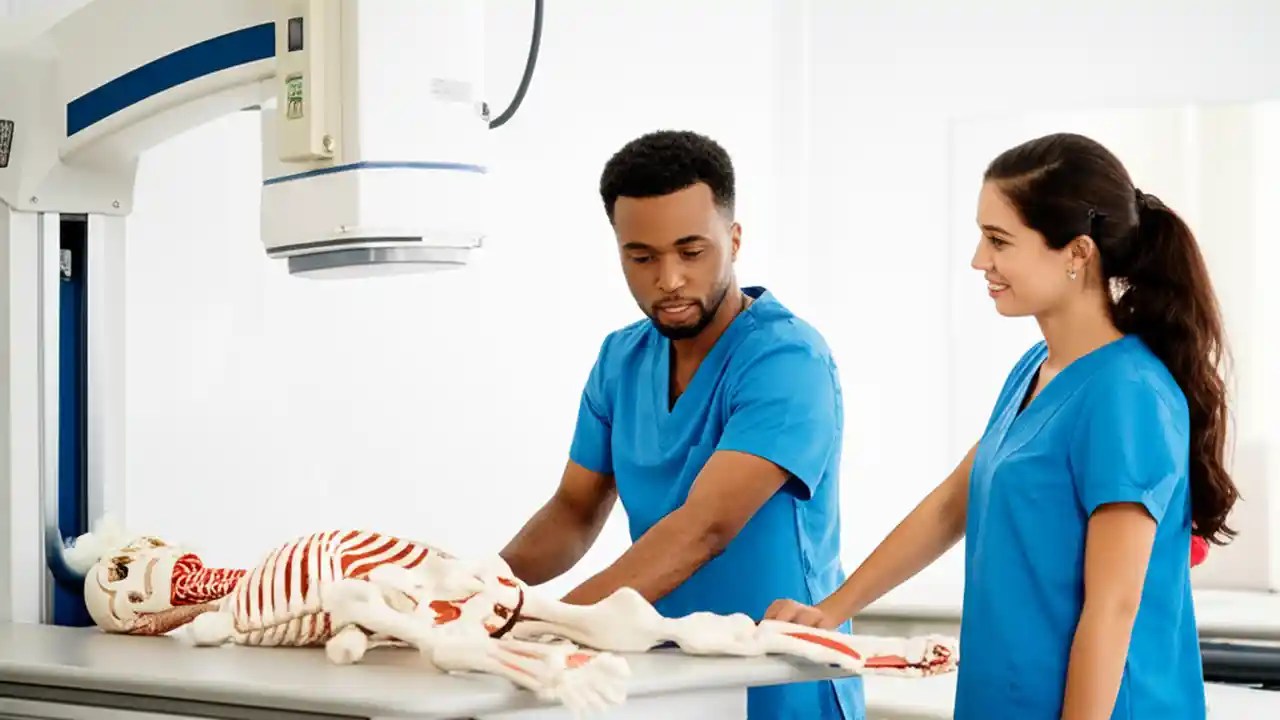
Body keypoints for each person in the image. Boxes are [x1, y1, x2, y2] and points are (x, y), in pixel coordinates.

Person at [767, 132, 1238, 719]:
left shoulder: (1128, 395)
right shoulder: (1035, 372)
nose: (978, 260)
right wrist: (832, 609)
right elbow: (952, 504)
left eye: (998, 240)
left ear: (1077, 253)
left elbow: (1113, 607)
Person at [498, 129, 865, 720]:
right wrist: (485, 591)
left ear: (735, 240)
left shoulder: (787, 360)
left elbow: (705, 529)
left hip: (783, 679)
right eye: (641, 257)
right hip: (670, 683)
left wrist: (549, 625)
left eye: (692, 252)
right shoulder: (620, 359)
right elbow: (573, 510)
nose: (667, 279)